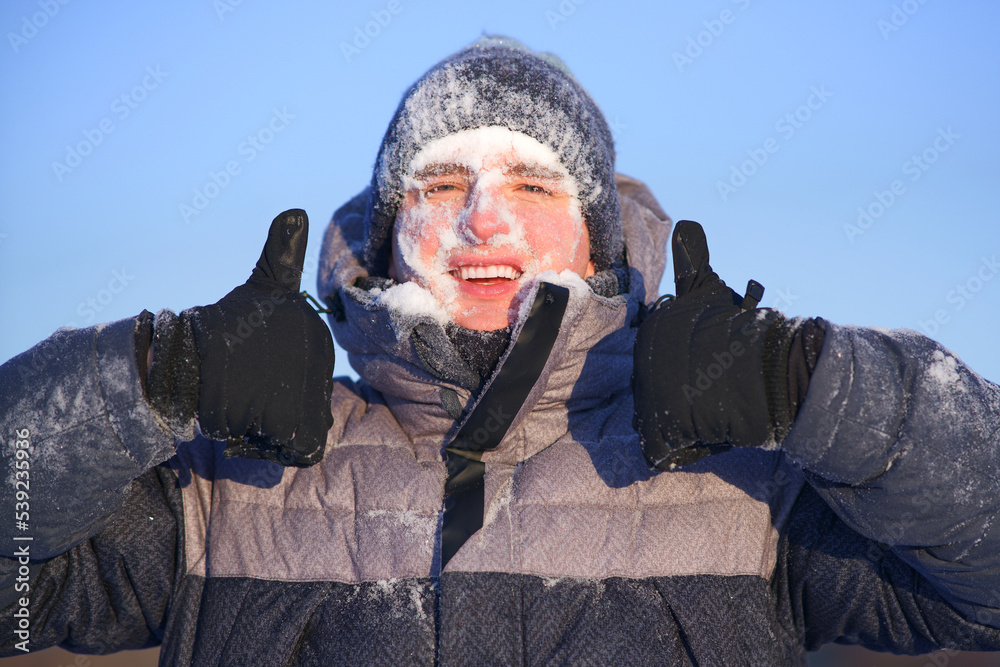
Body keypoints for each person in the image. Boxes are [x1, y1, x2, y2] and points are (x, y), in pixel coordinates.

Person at [2, 35, 1000, 665]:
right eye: (438, 185)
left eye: (532, 185)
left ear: (601, 237)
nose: (483, 218)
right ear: (390, 231)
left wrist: (808, 384)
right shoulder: (225, 494)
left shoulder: (748, 497)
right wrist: (153, 377)